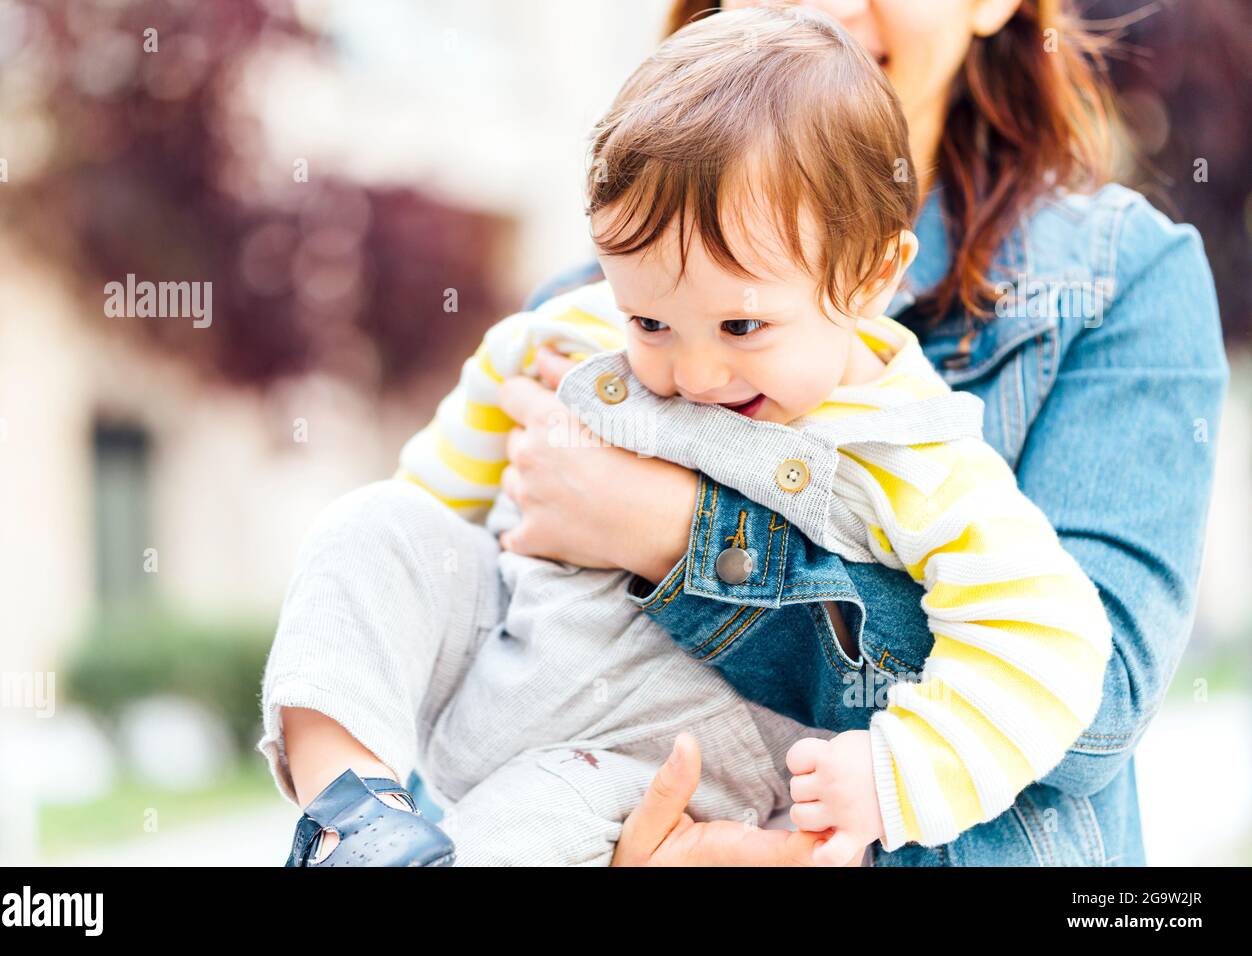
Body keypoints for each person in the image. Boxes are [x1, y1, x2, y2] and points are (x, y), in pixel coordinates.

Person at [263, 5, 1118, 867]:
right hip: (500, 644)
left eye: (743, 328)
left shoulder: (910, 451)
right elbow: (478, 420)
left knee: (510, 838)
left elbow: (1051, 638)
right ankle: (352, 813)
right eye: (652, 322)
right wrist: (404, 595)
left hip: (623, 768)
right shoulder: (587, 327)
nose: (696, 373)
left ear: (870, 278)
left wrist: (898, 774)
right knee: (369, 529)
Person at [491, 0, 1226, 866]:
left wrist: (684, 540)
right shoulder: (603, 307)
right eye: (654, 325)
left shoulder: (1110, 284)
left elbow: (1092, 706)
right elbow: (484, 677)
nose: (829, 7)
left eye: (742, 327)